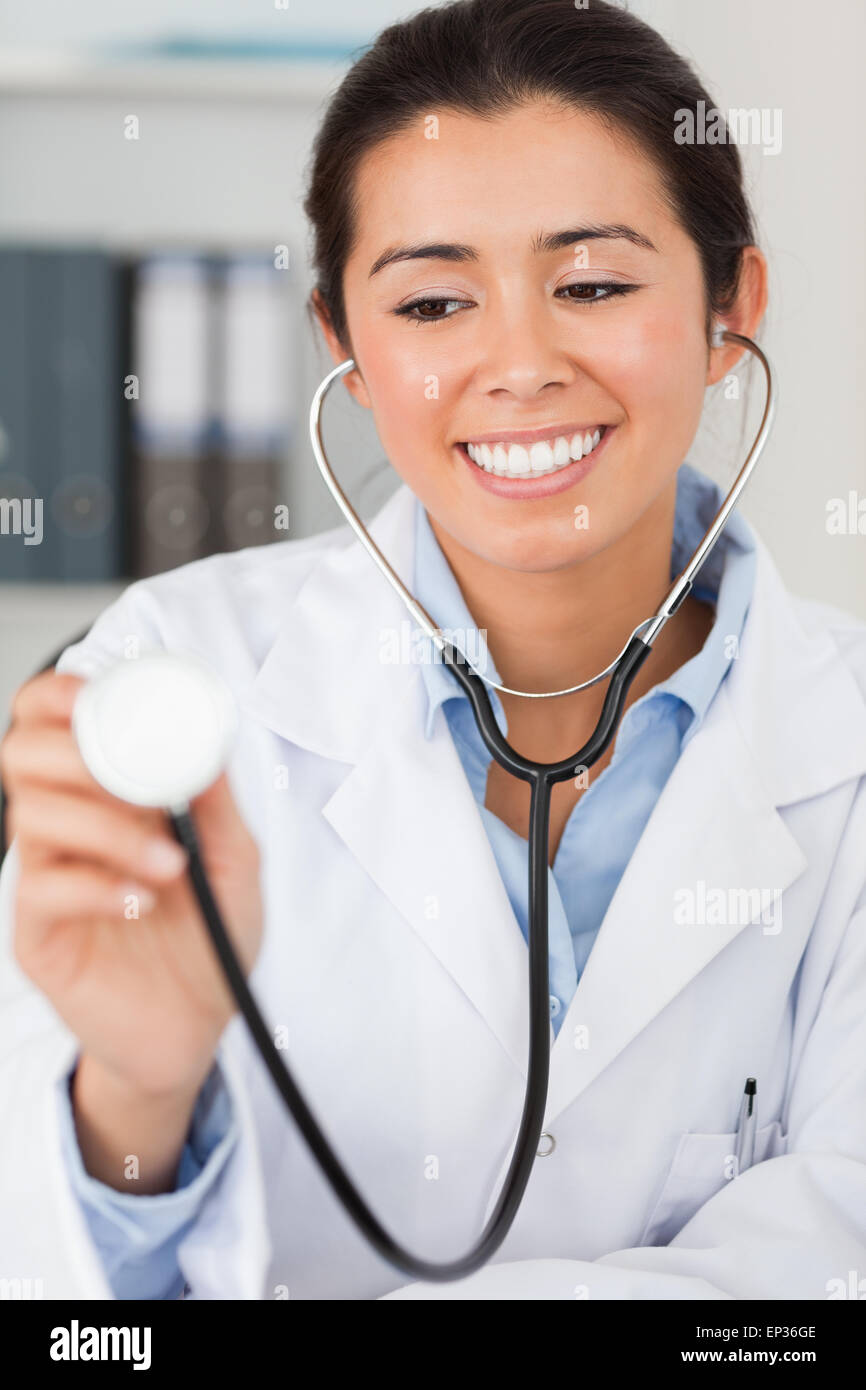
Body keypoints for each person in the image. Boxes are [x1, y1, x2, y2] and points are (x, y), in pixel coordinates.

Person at [1, 0, 865, 1301]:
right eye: (432, 300)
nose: (516, 363)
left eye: (592, 283)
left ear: (728, 302)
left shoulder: (843, 735)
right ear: (341, 343)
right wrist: (139, 1086)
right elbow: (63, 1302)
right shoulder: (166, 671)